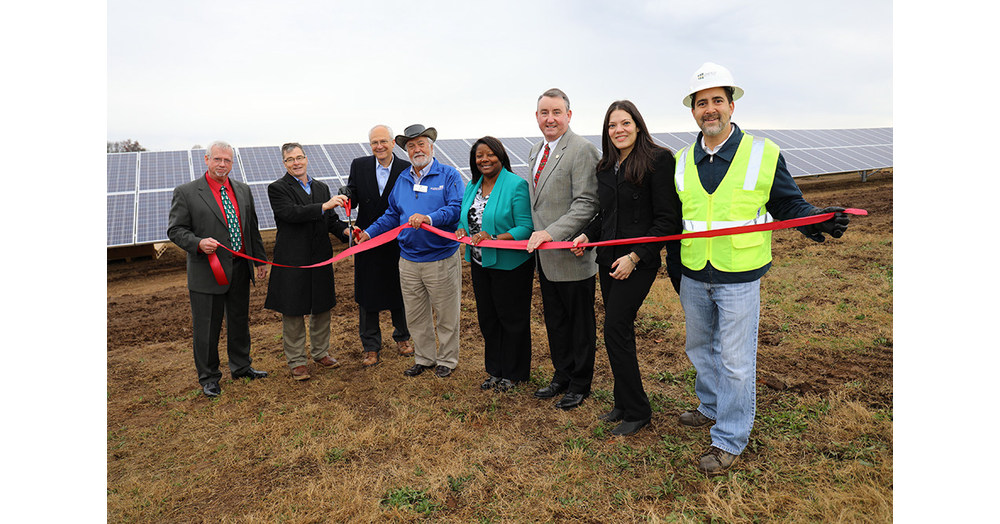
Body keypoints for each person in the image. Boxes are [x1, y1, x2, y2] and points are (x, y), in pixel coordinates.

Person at [674, 63, 851, 474]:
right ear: (693, 111)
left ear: (731, 105)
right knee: (700, 349)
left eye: (718, 100)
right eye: (702, 103)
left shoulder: (763, 153)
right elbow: (673, 216)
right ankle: (711, 405)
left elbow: (788, 204)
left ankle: (730, 438)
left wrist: (815, 219)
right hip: (694, 273)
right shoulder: (682, 160)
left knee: (735, 360)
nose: (710, 109)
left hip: (740, 274)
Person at [570, 100, 681, 435]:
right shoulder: (606, 167)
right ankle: (621, 402)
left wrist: (635, 257)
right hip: (608, 260)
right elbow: (605, 215)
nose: (618, 130)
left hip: (638, 262)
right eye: (611, 125)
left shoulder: (659, 160)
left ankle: (638, 410)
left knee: (614, 329)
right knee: (619, 331)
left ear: (638, 125)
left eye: (624, 123)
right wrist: (587, 234)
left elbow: (667, 219)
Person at [356, 124, 465, 378]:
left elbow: (456, 208)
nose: (417, 149)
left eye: (421, 144)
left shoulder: (448, 175)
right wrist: (369, 233)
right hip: (408, 260)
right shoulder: (404, 178)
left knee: (446, 314)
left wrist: (429, 218)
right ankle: (424, 358)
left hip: (440, 258)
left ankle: (447, 360)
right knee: (416, 315)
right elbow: (393, 213)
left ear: (431, 146)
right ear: (406, 150)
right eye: (411, 146)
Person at [167, 140, 269, 398]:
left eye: (227, 161)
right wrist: (198, 243)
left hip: (239, 269)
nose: (222, 165)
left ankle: (242, 367)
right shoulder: (187, 192)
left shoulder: (243, 191)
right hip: (206, 272)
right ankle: (209, 377)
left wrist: (258, 260)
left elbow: (251, 229)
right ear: (206, 160)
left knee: (239, 322)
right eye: (217, 159)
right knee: (207, 328)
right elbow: (176, 230)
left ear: (232, 163)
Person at [525, 88, 600, 410]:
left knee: (579, 324)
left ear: (569, 115)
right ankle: (562, 374)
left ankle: (580, 383)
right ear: (537, 117)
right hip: (546, 257)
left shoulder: (581, 149)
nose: (550, 118)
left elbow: (587, 203)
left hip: (572, 254)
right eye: (544, 113)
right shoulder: (535, 151)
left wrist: (549, 233)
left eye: (556, 112)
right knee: (555, 320)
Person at [263, 142, 350, 381]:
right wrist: (324, 206)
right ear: (284, 163)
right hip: (292, 259)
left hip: (320, 257)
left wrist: (347, 232)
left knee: (321, 307)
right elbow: (291, 213)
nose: (296, 162)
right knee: (293, 311)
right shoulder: (277, 188)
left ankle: (321, 352)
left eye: (299, 157)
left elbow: (331, 220)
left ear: (306, 159)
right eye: (290, 159)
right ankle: (297, 361)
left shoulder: (321, 187)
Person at [455, 137, 534, 393]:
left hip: (511, 266)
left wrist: (495, 238)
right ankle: (495, 371)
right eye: (479, 156)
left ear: (501, 156)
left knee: (511, 319)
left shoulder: (516, 184)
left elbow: (526, 227)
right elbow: (467, 216)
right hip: (480, 263)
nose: (484, 160)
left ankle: (514, 374)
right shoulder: (472, 185)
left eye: (490, 154)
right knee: (488, 319)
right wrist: (461, 229)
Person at [341, 125, 414, 368]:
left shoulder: (406, 168)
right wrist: (346, 193)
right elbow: (354, 194)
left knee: (399, 288)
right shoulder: (359, 165)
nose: (379, 146)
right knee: (367, 293)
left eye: (383, 141)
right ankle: (371, 346)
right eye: (374, 142)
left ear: (393, 143)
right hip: (367, 238)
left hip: (396, 238)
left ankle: (402, 337)